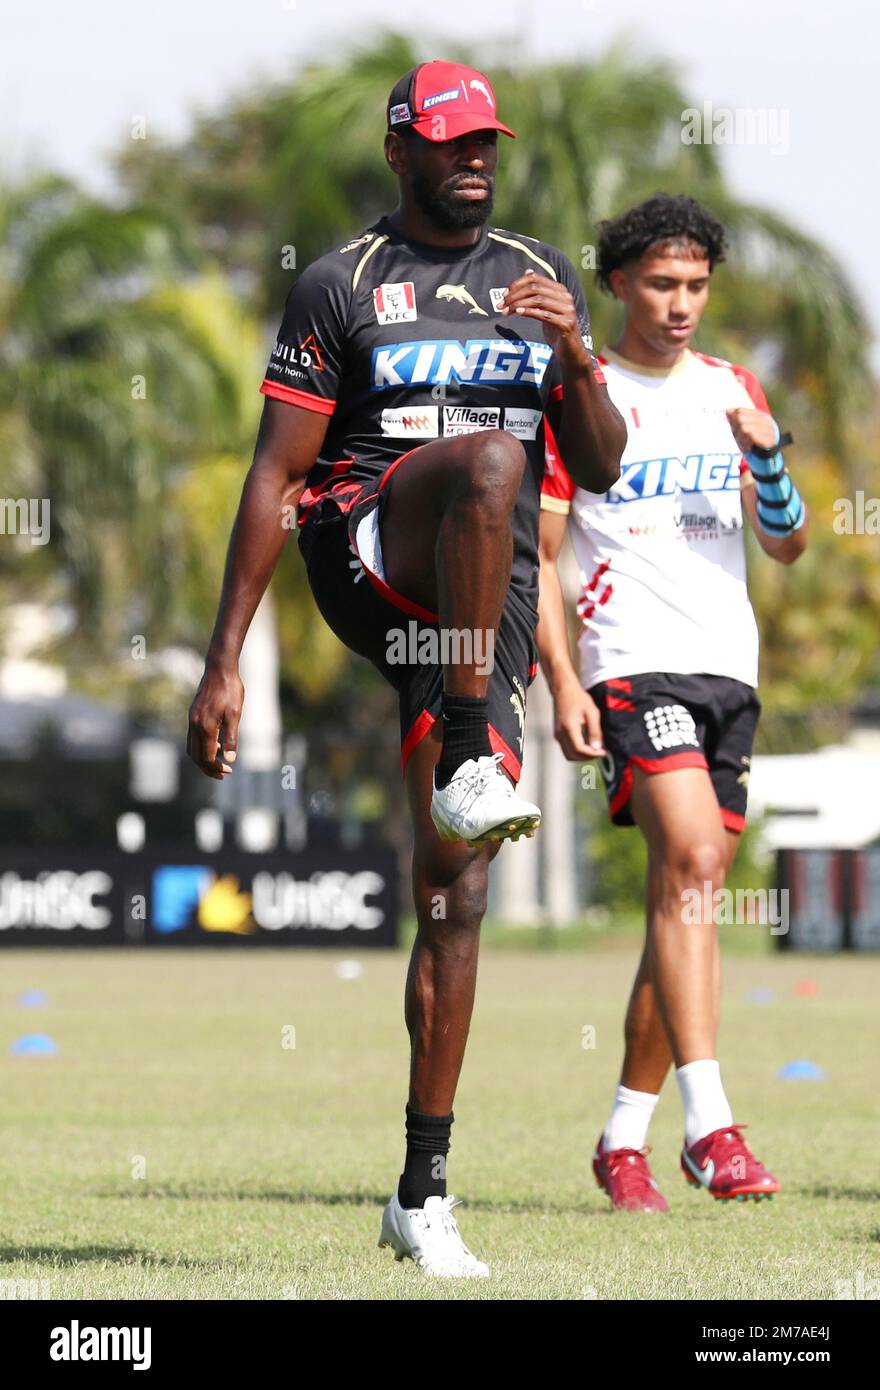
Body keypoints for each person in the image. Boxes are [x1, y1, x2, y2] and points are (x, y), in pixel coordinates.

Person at [186, 59, 624, 1273]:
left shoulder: (536, 277)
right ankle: (478, 750)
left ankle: (420, 1190)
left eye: (487, 140)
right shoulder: (343, 284)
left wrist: (579, 354)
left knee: (455, 892)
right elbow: (275, 476)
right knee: (489, 465)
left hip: (485, 600)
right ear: (400, 153)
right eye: (449, 142)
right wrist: (225, 660)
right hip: (367, 549)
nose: (474, 158)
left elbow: (593, 469)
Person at [537, 193, 807, 1211]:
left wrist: (768, 455)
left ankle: (620, 1139)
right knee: (692, 864)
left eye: (695, 284)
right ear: (616, 283)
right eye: (660, 283)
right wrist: (560, 678)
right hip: (629, 663)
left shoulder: (730, 387)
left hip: (726, 669)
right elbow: (541, 554)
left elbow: (784, 542)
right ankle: (713, 1126)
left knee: (681, 905)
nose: (681, 302)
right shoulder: (585, 392)